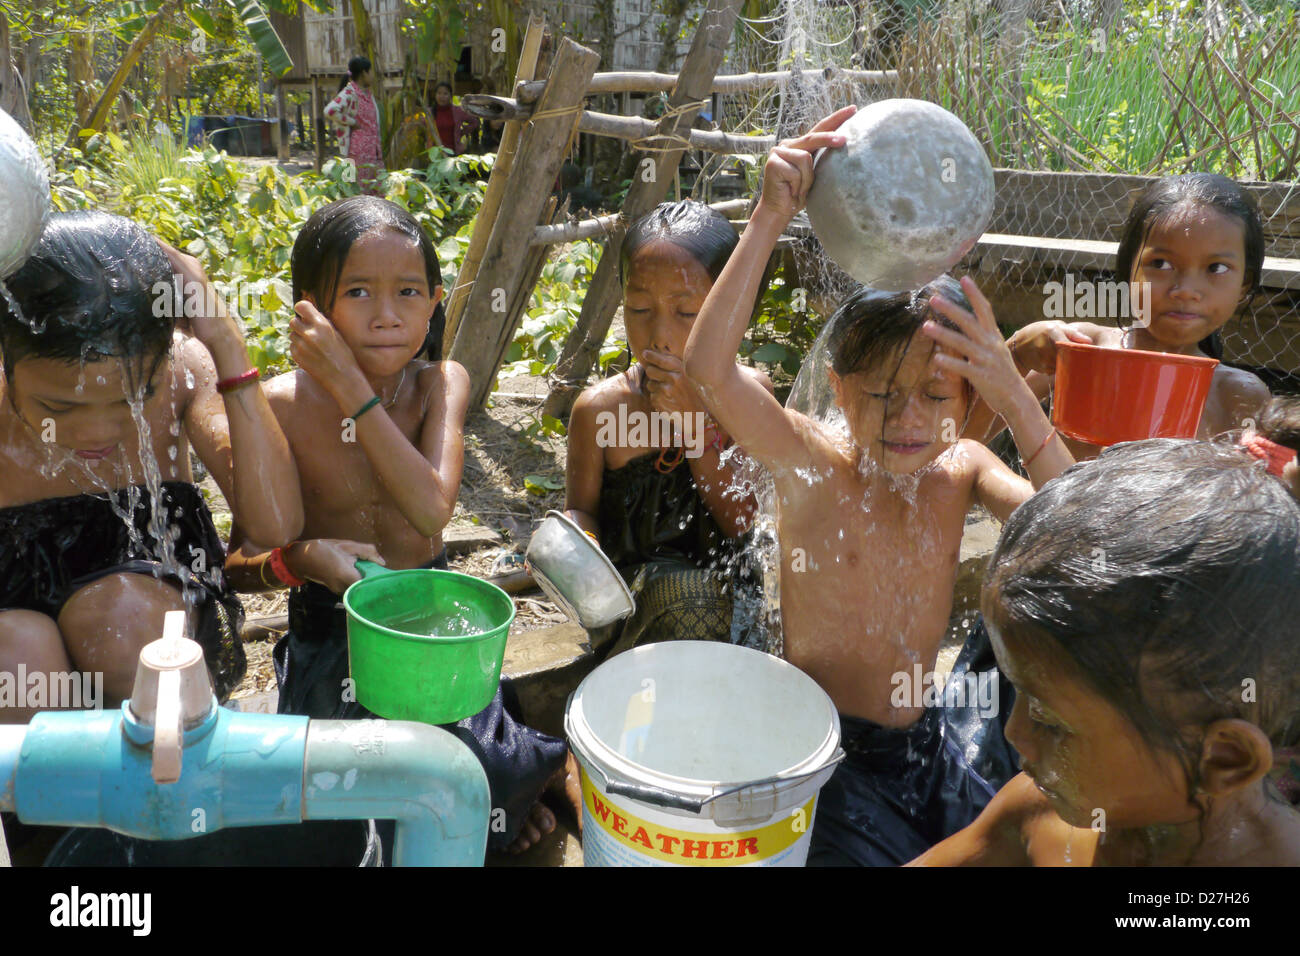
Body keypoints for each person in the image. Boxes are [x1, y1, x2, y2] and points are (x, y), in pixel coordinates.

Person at [682, 106, 1077, 866]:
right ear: (835, 384)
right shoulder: (813, 465)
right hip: (825, 754)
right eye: (880, 394)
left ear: (968, 401)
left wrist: (1017, 395)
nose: (907, 419)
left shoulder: (961, 469)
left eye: (936, 396)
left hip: (923, 744)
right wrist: (770, 214)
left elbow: (1080, 524)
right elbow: (709, 369)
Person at [225, 196, 575, 854]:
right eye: (357, 292)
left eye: (409, 292)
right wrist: (297, 560)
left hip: (437, 629)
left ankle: (534, 779)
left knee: (484, 780)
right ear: (311, 306)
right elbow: (237, 565)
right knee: (352, 808)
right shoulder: (279, 407)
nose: (387, 316)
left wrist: (349, 384)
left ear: (436, 300)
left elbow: (430, 507)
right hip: (335, 632)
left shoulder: (441, 383)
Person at [910, 438, 1300, 865]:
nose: (1013, 733)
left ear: (1224, 758)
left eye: (1048, 719)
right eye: (1019, 694)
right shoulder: (1037, 812)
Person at [0, 211, 303, 720]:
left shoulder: (184, 369)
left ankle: (165, 781)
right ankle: (54, 794)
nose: (97, 433)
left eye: (132, 401)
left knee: (122, 621)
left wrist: (225, 342)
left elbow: (275, 527)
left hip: (147, 607)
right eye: (60, 408)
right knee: (19, 657)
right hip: (14, 614)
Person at [565, 201, 771, 657]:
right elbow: (583, 512)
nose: (659, 334)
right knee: (677, 592)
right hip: (632, 613)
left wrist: (693, 425)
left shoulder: (750, 397)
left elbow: (744, 524)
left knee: (696, 593)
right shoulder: (600, 411)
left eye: (686, 313)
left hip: (731, 602)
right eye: (639, 308)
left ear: (730, 311)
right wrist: (574, 540)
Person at [968, 172, 1272, 459]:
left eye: (1215, 268)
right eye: (1162, 264)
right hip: (1065, 514)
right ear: (1130, 271)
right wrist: (1016, 356)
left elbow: (1256, 501)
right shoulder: (1082, 349)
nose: (1185, 290)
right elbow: (962, 439)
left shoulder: (1236, 394)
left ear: (1245, 284)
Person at [324, 56, 385, 194]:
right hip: (355, 152)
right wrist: (352, 122)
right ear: (364, 73)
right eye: (371, 72)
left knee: (377, 191)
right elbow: (330, 110)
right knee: (354, 192)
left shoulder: (368, 95)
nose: (373, 76)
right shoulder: (350, 92)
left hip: (373, 152)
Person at [431, 82, 479, 156]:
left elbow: (474, 122)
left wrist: (461, 132)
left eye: (445, 94)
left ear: (450, 95)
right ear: (435, 95)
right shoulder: (429, 113)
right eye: (439, 93)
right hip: (434, 154)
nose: (441, 96)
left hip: (453, 153)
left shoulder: (457, 111)